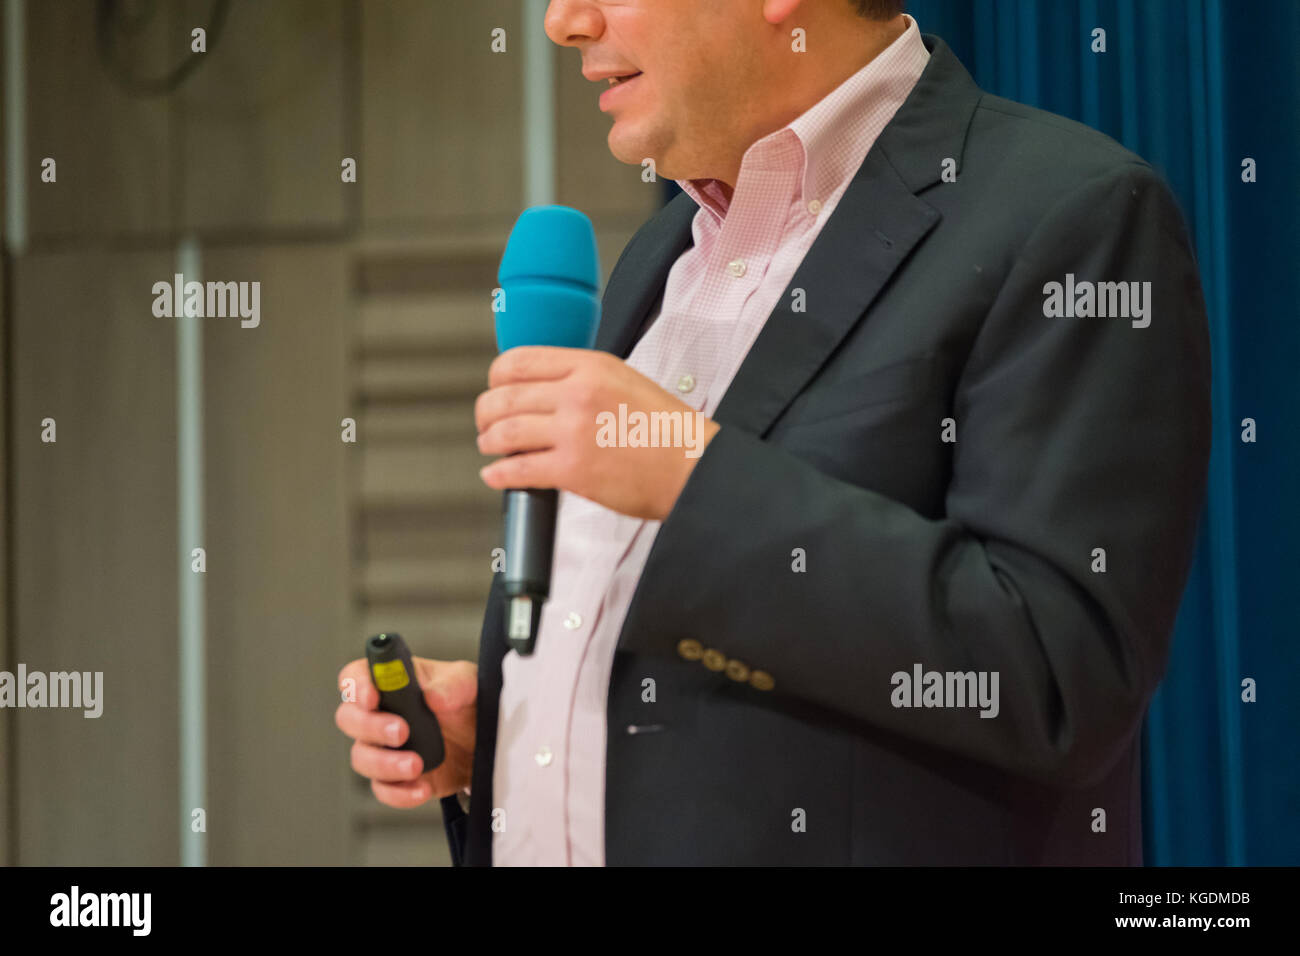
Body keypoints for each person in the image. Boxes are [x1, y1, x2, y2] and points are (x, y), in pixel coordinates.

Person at [336, 0, 1211, 866]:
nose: (563, 21)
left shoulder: (1067, 213)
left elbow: (1054, 673)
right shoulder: (656, 255)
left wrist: (688, 477)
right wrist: (516, 728)